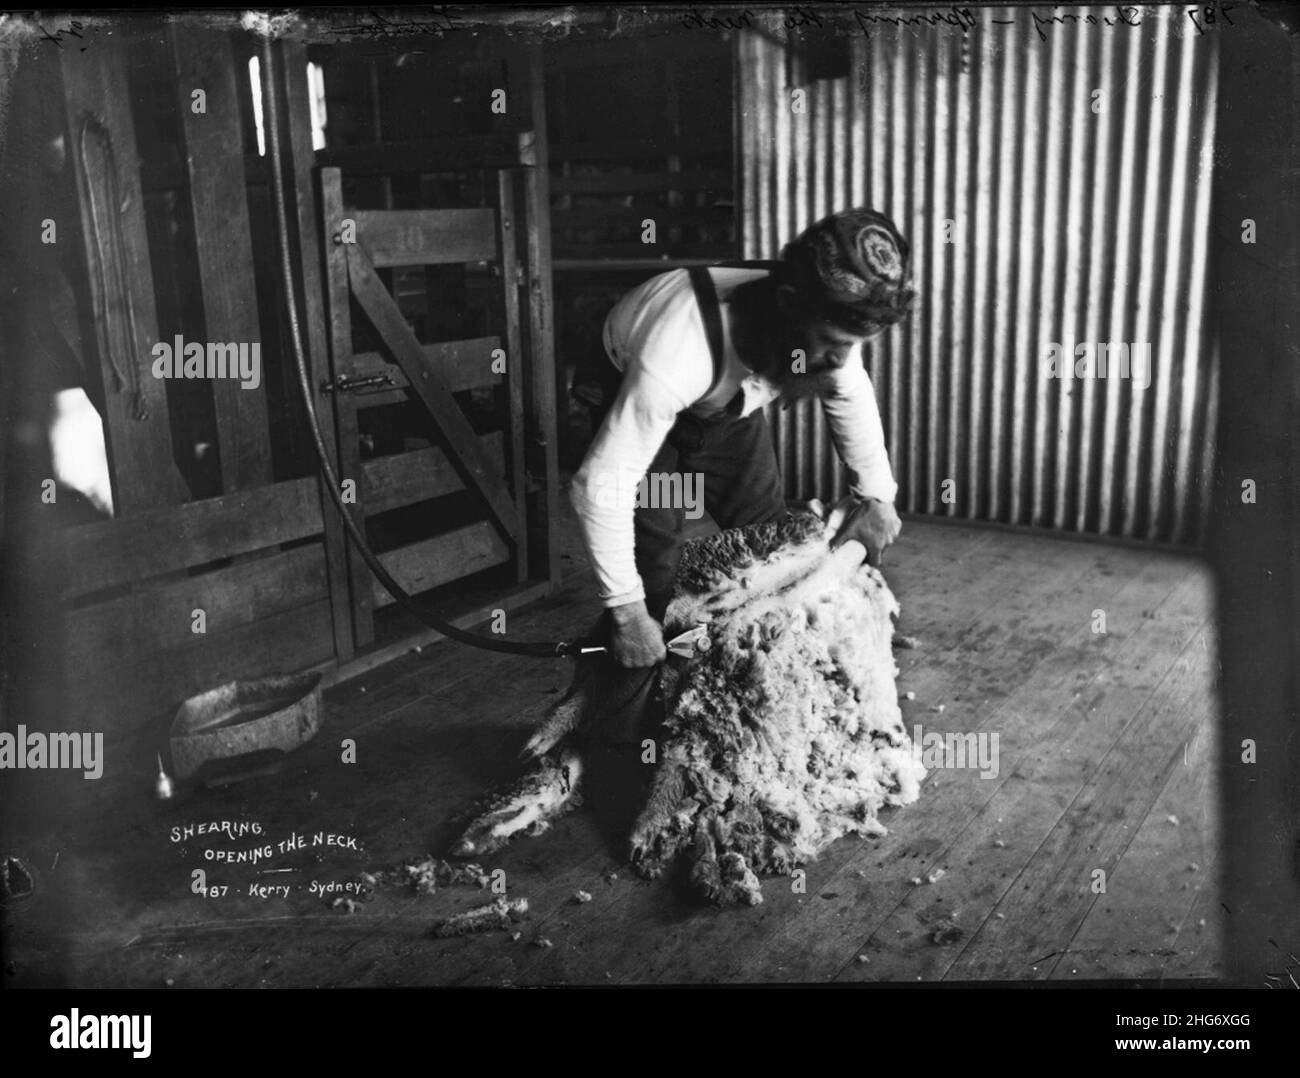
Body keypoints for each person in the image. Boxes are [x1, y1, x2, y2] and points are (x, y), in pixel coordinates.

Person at [570, 207, 917, 669]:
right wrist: (626, 613)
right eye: (834, 342)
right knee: (654, 568)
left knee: (769, 542)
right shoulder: (678, 353)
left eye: (850, 344)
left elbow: (849, 390)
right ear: (791, 304)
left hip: (726, 400)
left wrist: (876, 497)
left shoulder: (815, 325)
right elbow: (599, 487)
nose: (840, 359)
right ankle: (621, 720)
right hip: (634, 385)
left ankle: (772, 676)